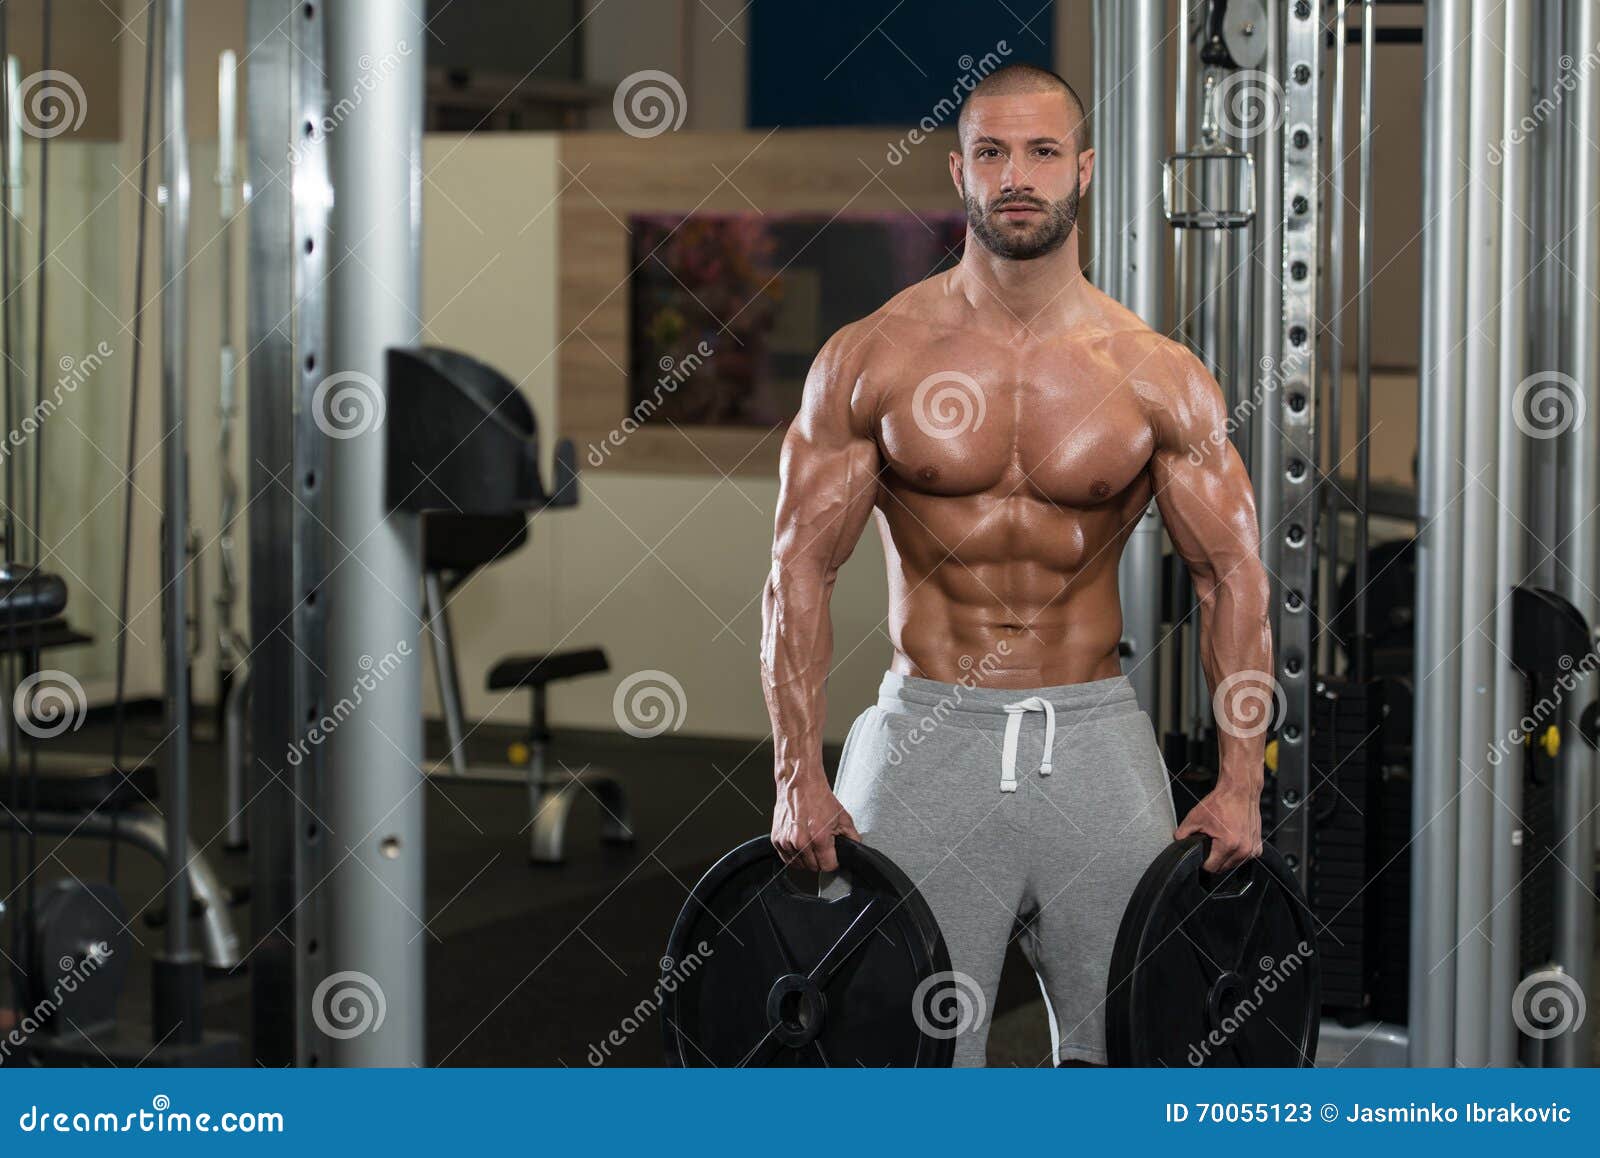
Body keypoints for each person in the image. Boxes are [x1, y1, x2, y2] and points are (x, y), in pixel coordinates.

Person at [758, 63, 1272, 1067]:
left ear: (1082, 168)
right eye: (992, 153)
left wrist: (1242, 779)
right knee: (900, 1061)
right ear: (959, 171)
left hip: (1093, 742)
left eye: (1041, 152)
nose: (1016, 176)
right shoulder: (873, 357)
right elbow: (797, 573)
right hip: (922, 741)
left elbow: (1232, 576)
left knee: (1124, 1055)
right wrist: (795, 774)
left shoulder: (1154, 372)